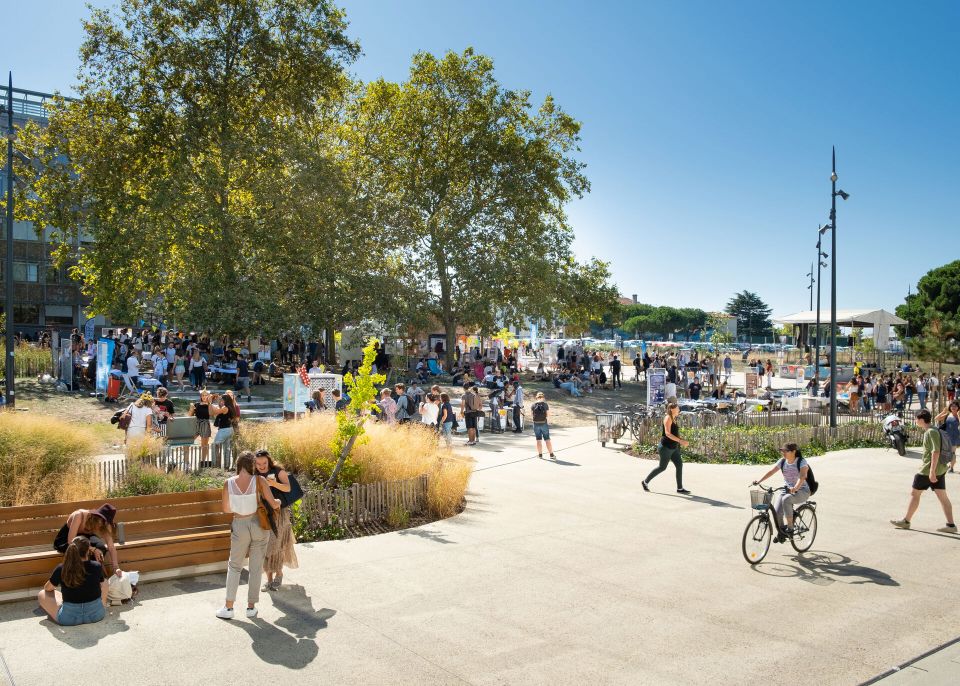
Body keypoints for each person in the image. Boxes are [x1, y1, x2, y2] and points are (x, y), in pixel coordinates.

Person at [217, 451, 279, 619]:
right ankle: (251, 608)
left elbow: (226, 509)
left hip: (239, 524)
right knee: (255, 568)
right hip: (258, 524)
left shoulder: (228, 483)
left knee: (235, 566)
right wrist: (278, 502)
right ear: (252, 465)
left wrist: (239, 506)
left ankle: (228, 608)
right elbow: (273, 504)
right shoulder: (259, 480)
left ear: (238, 465)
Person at [890, 410, 956, 533]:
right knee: (943, 497)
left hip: (927, 471)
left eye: (916, 419)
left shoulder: (930, 432)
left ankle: (906, 521)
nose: (915, 421)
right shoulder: (934, 429)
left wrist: (931, 472)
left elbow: (935, 452)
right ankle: (951, 525)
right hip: (940, 469)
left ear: (921, 420)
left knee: (915, 494)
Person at [254, 450, 299, 592]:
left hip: (279, 513)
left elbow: (288, 487)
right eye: (258, 463)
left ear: (269, 461)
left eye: (264, 463)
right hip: (262, 513)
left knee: (277, 544)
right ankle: (268, 580)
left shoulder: (278, 471)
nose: (261, 466)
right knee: (266, 546)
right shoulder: (254, 474)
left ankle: (278, 574)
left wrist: (273, 484)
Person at [37, 537, 108, 626]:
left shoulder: (62, 568)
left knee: (42, 593)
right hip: (96, 615)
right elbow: (104, 585)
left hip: (69, 619)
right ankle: (102, 606)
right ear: (87, 551)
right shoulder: (97, 566)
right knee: (104, 582)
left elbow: (47, 588)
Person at [751, 443, 810, 539]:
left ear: (793, 451)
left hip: (802, 490)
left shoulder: (801, 461)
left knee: (786, 499)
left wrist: (795, 487)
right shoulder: (782, 462)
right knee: (777, 511)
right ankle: (782, 532)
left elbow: (802, 476)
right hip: (787, 490)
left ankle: (790, 528)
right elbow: (771, 471)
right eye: (782, 450)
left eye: (786, 451)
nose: (783, 453)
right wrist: (759, 481)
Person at [53, 503, 122, 577]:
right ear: (96, 517)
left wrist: (116, 567)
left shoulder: (105, 524)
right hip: (67, 538)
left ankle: (95, 573)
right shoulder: (79, 515)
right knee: (81, 549)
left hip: (86, 537)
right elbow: (71, 541)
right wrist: (93, 549)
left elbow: (111, 546)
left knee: (101, 547)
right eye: (102, 521)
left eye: (106, 522)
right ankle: (88, 575)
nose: (102, 525)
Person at [642, 402, 690, 494]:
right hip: (666, 447)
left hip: (673, 447)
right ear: (672, 409)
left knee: (679, 465)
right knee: (662, 467)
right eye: (677, 408)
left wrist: (678, 443)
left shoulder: (674, 418)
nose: (679, 409)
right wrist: (680, 441)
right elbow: (668, 434)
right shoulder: (668, 418)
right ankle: (645, 482)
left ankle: (680, 488)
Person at [189, 389, 213, 462]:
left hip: (205, 423)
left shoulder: (210, 405)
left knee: (204, 444)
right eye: (203, 395)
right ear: (201, 396)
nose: (204, 397)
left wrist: (210, 404)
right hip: (196, 423)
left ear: (208, 396)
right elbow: (190, 415)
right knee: (189, 440)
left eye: (206, 395)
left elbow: (212, 414)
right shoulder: (196, 404)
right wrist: (191, 408)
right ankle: (186, 460)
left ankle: (202, 460)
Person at [530, 391, 556, 459]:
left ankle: (540, 455)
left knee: (538, 440)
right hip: (544, 423)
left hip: (536, 424)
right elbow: (547, 415)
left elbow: (532, 415)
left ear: (536, 397)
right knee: (547, 439)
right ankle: (551, 454)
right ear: (543, 397)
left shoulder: (533, 405)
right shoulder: (545, 405)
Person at [936, 401, 959, 473]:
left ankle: (951, 468)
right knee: (947, 452)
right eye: (952, 406)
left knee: (952, 453)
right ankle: (949, 465)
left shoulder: (959, 415)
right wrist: (943, 412)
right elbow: (936, 418)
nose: (953, 407)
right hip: (947, 436)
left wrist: (958, 416)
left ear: (958, 407)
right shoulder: (948, 415)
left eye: (955, 406)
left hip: (956, 437)